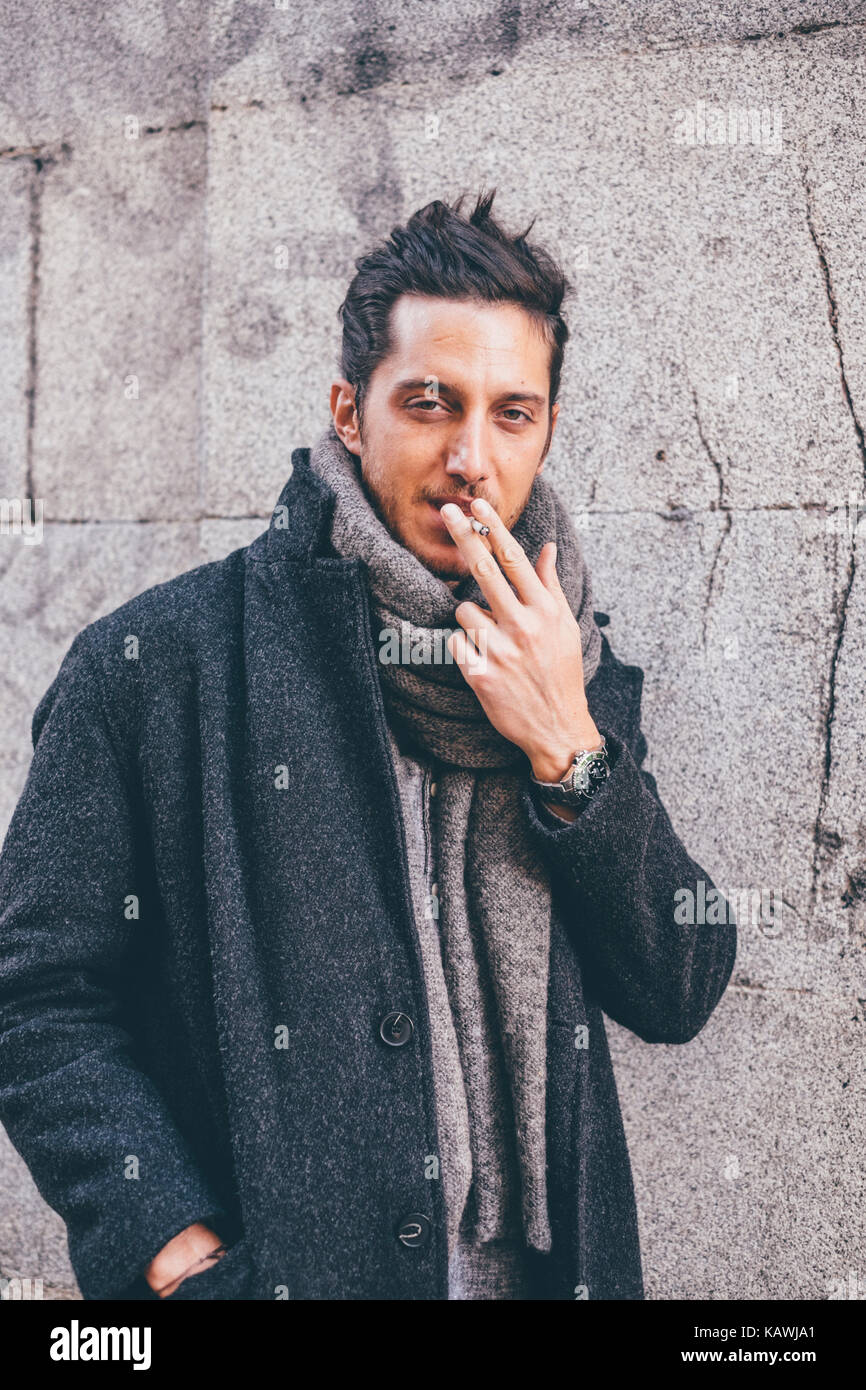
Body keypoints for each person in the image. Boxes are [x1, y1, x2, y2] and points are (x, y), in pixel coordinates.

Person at [0, 189, 737, 1300]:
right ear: (349, 411)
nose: (472, 457)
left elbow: (675, 986)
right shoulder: (155, 664)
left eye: (512, 414)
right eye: (431, 403)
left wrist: (567, 745)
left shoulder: (567, 657)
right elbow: (34, 992)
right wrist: (167, 1247)